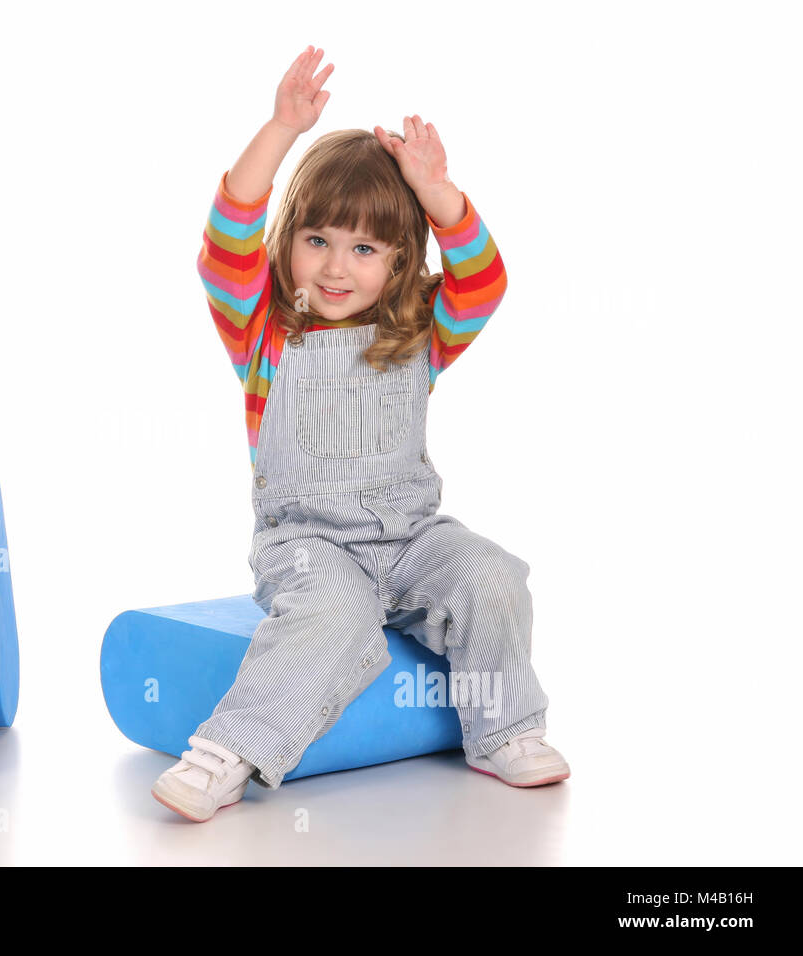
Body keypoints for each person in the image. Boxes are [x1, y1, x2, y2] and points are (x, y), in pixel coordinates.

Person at [152, 45, 570, 823]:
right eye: (317, 241)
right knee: (332, 616)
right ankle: (227, 750)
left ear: (401, 259)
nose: (336, 268)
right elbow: (225, 238)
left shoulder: (421, 330)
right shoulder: (263, 328)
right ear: (287, 246)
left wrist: (436, 191)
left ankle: (504, 730)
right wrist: (281, 129)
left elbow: (484, 282)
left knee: (489, 574)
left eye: (365, 248)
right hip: (309, 546)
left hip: (413, 537)